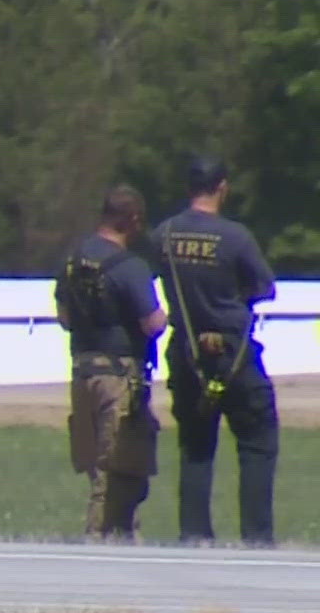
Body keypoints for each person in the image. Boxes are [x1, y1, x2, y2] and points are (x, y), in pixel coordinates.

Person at [154, 155, 278, 545]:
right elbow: (265, 287)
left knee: (195, 445)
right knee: (258, 442)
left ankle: (194, 535)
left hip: (187, 352)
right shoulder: (236, 237)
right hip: (234, 353)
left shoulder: (164, 234)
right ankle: (256, 538)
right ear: (222, 187)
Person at [55, 185, 167, 540]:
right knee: (118, 471)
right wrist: (167, 317)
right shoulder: (130, 267)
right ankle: (101, 546)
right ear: (132, 220)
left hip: (82, 372)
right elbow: (151, 324)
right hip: (119, 378)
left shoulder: (74, 260)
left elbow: (64, 317)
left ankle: (117, 539)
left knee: (98, 469)